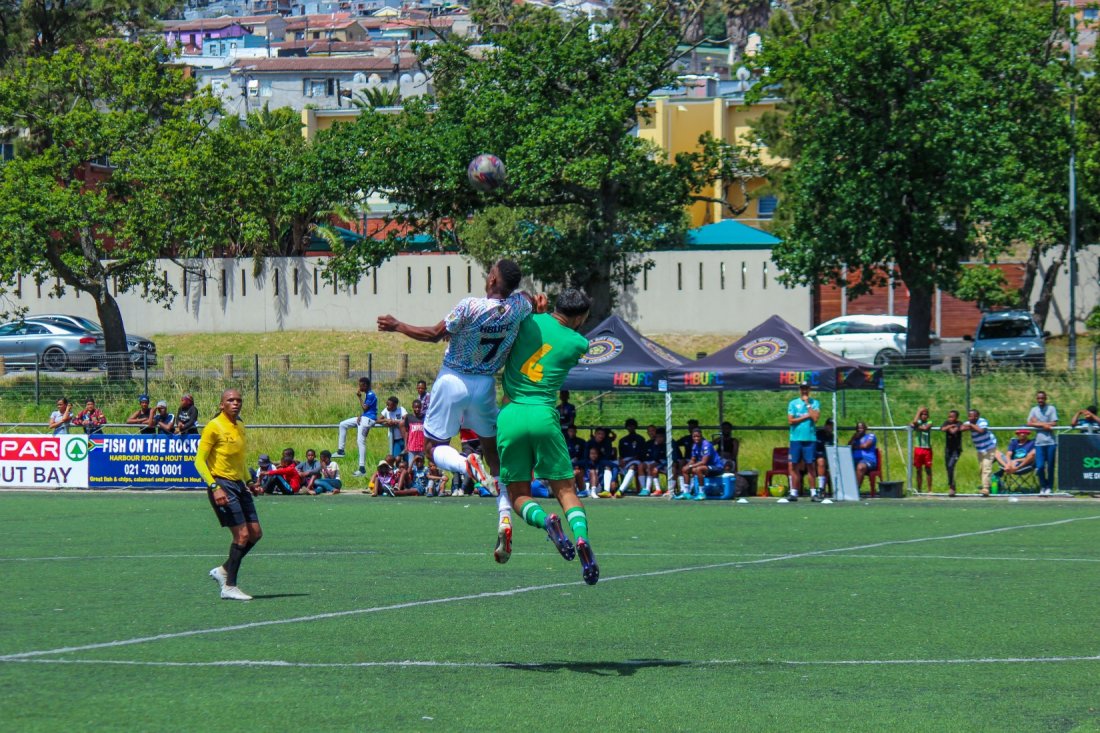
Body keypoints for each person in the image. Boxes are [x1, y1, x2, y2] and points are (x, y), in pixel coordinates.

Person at [377, 258, 544, 540]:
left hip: (454, 379)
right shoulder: (520, 306)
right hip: (485, 385)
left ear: (492, 280)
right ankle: (504, 516)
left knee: (432, 447)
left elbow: (433, 335)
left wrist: (397, 325)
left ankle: (466, 464)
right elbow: (531, 299)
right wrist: (537, 301)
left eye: (490, 272)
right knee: (493, 454)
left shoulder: (470, 306)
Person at [495, 288, 599, 583]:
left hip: (511, 414)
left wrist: (537, 314)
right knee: (566, 491)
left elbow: (533, 333)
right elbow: (552, 347)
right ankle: (580, 538)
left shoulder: (528, 321)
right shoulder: (580, 343)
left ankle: (546, 521)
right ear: (582, 317)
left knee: (518, 495)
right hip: (543, 414)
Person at [193, 388, 259, 602]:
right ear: (222, 404)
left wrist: (250, 481)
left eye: (239, 400)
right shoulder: (213, 427)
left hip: (239, 484)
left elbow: (240, 460)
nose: (235, 403)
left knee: (255, 533)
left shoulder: (240, 425)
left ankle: (223, 570)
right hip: (221, 484)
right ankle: (229, 586)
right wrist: (214, 486)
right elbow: (199, 461)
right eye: (230, 400)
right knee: (242, 536)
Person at [335, 377, 378, 478]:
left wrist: (359, 397)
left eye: (360, 385)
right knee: (343, 424)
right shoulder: (368, 394)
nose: (359, 387)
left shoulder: (371, 395)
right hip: (365, 418)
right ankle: (341, 450)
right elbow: (367, 410)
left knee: (360, 441)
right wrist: (361, 415)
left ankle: (362, 469)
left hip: (368, 420)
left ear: (365, 385)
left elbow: (365, 407)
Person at [786, 381, 820, 501]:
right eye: (802, 389)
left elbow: (815, 418)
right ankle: (794, 492)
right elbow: (790, 420)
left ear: (809, 389)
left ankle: (813, 493)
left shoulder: (815, 403)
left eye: (806, 389)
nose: (804, 391)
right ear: (799, 390)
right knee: (794, 465)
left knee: (810, 465)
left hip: (810, 438)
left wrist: (807, 404)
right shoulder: (793, 403)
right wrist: (806, 416)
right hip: (796, 438)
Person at [677, 428, 724, 501]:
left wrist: (690, 466)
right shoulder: (695, 446)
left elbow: (704, 462)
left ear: (701, 436)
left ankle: (701, 493)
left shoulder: (706, 445)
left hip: (716, 467)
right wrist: (687, 466)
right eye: (694, 436)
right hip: (705, 467)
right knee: (684, 469)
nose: (696, 438)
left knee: (698, 469)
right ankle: (686, 493)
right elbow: (693, 460)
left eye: (698, 436)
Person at [1027, 390, 1058, 494]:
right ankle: (1043, 486)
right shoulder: (1034, 410)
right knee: (1040, 466)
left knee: (1050, 466)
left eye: (1042, 398)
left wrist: (1038, 422)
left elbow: (1054, 423)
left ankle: (1049, 487)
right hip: (1039, 443)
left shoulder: (1051, 409)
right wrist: (1043, 425)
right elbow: (1029, 423)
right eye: (1038, 398)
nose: (1040, 400)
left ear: (1045, 398)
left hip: (1050, 442)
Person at [961, 408, 998, 496]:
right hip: (980, 449)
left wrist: (971, 426)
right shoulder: (969, 422)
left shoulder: (982, 421)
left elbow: (981, 430)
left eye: (971, 416)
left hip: (989, 447)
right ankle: (986, 485)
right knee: (981, 469)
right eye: (968, 416)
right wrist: (971, 426)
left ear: (977, 416)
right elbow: (962, 428)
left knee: (986, 467)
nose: (969, 418)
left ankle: (986, 489)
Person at [641, 427, 678, 497]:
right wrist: (656, 446)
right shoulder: (657, 444)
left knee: (673, 466)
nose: (658, 439)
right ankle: (656, 490)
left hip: (671, 463)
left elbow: (673, 459)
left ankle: (671, 490)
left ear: (664, 436)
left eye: (660, 437)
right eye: (657, 437)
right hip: (662, 464)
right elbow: (655, 458)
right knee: (651, 466)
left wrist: (659, 467)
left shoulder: (671, 443)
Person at [616, 418, 647, 494]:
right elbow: (621, 454)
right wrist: (621, 460)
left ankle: (621, 490)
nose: (630, 428)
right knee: (614, 466)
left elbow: (640, 454)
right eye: (629, 426)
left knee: (632, 466)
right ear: (626, 427)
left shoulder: (640, 439)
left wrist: (628, 461)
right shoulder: (622, 440)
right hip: (625, 460)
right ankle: (612, 488)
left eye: (632, 426)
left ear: (635, 427)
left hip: (636, 460)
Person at [586, 427, 619, 498]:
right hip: (588, 476)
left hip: (602, 465)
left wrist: (613, 480)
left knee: (608, 467)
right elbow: (584, 458)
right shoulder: (589, 443)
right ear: (595, 434)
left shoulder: (607, 442)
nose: (601, 436)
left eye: (602, 434)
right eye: (599, 434)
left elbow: (614, 465)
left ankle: (606, 490)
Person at [848, 421, 878, 491]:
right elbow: (849, 446)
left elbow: (866, 445)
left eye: (861, 428)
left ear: (865, 428)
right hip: (855, 460)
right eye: (858, 428)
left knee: (860, 467)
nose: (859, 430)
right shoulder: (855, 438)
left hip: (868, 460)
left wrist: (855, 446)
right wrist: (854, 438)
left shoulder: (870, 436)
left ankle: (855, 490)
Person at [941, 410, 964, 497]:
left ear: (956, 417)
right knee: (948, 468)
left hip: (956, 450)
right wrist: (950, 426)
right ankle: (952, 485)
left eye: (952, 417)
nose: (950, 419)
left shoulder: (959, 423)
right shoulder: (946, 423)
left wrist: (950, 427)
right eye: (949, 417)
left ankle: (952, 487)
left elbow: (954, 431)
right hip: (948, 449)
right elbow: (943, 429)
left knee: (951, 466)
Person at [911, 406, 933, 494]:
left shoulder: (929, 422)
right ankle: (919, 489)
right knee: (918, 469)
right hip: (918, 448)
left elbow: (925, 428)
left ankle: (929, 490)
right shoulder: (918, 421)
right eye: (922, 414)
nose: (924, 416)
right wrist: (918, 411)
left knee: (928, 469)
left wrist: (917, 428)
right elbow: (914, 423)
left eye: (925, 414)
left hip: (927, 449)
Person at [814, 417, 834, 497]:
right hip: (816, 457)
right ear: (825, 425)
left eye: (832, 426)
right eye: (829, 425)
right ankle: (820, 488)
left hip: (828, 459)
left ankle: (823, 488)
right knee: (821, 461)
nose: (830, 427)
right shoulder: (818, 434)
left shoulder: (833, 437)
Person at [404, 398, 426, 463]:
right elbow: (406, 432)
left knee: (420, 464)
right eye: (415, 407)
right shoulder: (409, 417)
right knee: (411, 464)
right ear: (412, 407)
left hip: (422, 446)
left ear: (421, 407)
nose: (417, 409)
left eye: (419, 407)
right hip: (412, 445)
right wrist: (406, 445)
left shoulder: (424, 417)